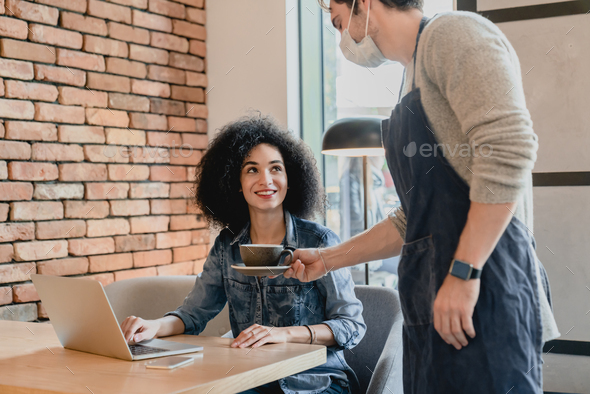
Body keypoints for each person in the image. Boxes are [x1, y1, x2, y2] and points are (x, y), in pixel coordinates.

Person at [284, 1, 560, 393]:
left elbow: (508, 149)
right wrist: (327, 260)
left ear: (363, 4)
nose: (341, 37)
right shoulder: (408, 77)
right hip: (430, 304)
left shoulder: (453, 35)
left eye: (337, 21)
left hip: (485, 292)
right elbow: (411, 217)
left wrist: (464, 273)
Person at [120, 114, 366, 394]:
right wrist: (152, 327)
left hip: (315, 381)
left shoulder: (319, 241)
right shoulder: (227, 246)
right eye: (252, 170)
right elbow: (192, 315)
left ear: (289, 177)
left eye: (276, 168)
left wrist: (283, 334)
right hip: (251, 379)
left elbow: (351, 325)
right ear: (235, 181)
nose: (266, 180)